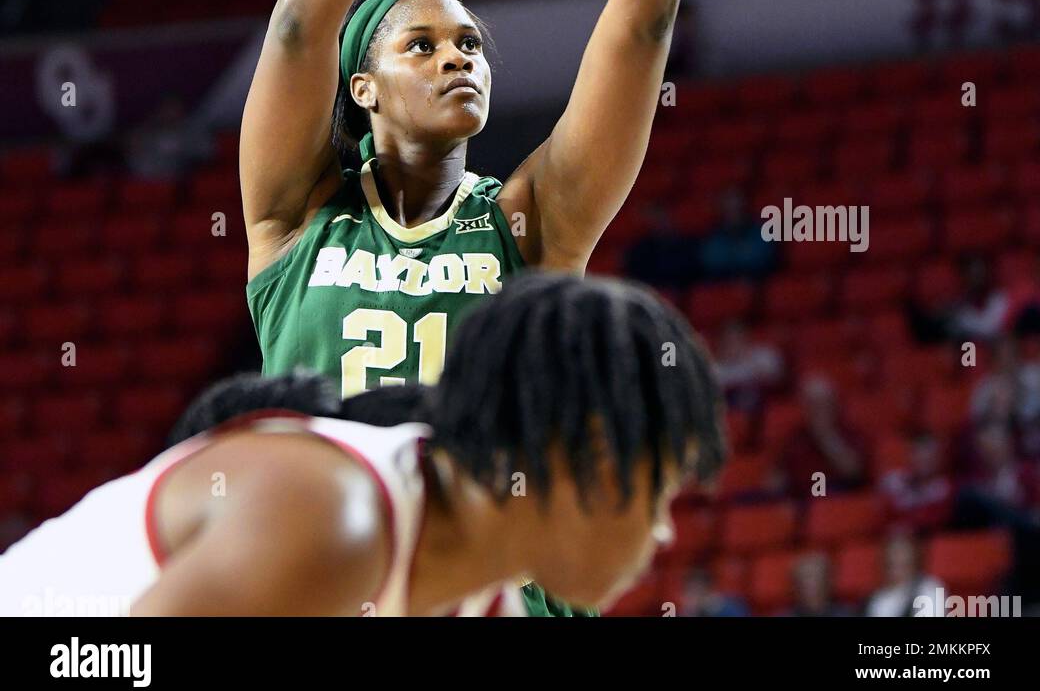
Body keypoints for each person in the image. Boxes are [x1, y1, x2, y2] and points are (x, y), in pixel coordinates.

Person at [240, 0, 694, 616]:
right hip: (334, 585)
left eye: (472, 43)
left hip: (499, 594)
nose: (460, 56)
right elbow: (295, 28)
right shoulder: (293, 217)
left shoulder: (527, 221)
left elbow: (641, 21)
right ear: (360, 88)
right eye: (422, 45)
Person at [0, 273, 726, 617]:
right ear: (574, 457)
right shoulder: (331, 514)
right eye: (657, 489)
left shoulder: (481, 597)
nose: (662, 530)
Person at [864, 532, 945, 617]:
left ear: (915, 559)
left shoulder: (929, 588)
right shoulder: (878, 597)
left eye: (902, 555)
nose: (896, 558)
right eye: (892, 558)